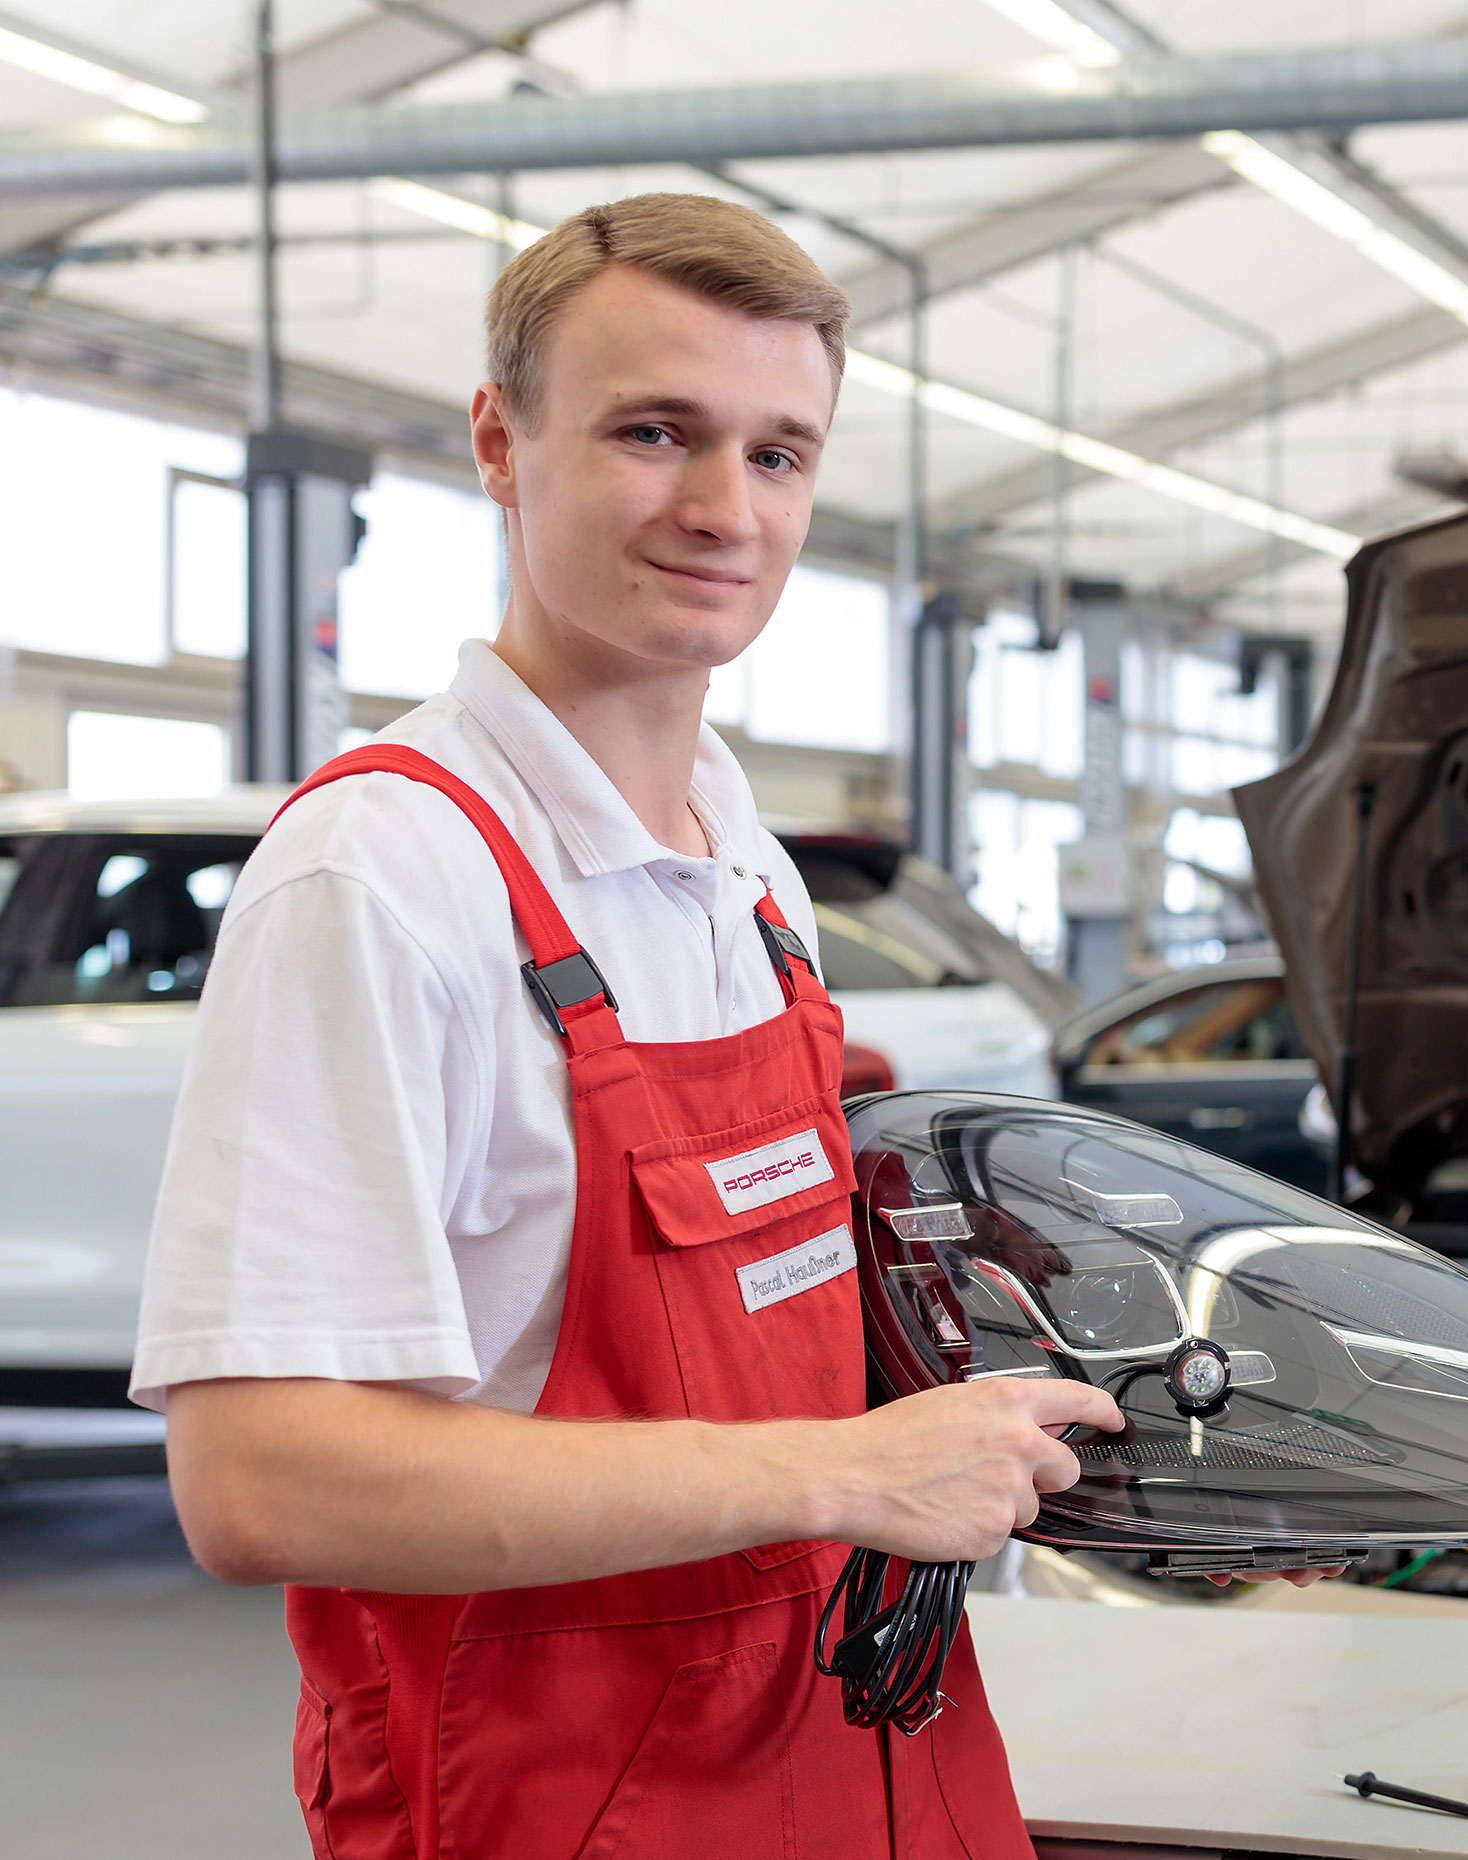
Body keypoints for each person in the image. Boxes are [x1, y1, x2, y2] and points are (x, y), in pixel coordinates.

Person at [130, 193, 1273, 1858]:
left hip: (850, 1733)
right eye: (655, 432)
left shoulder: (749, 873)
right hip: (565, 1799)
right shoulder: (384, 875)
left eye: (778, 453)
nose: (723, 509)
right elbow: (260, 1482)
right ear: (500, 443)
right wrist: (835, 1473)